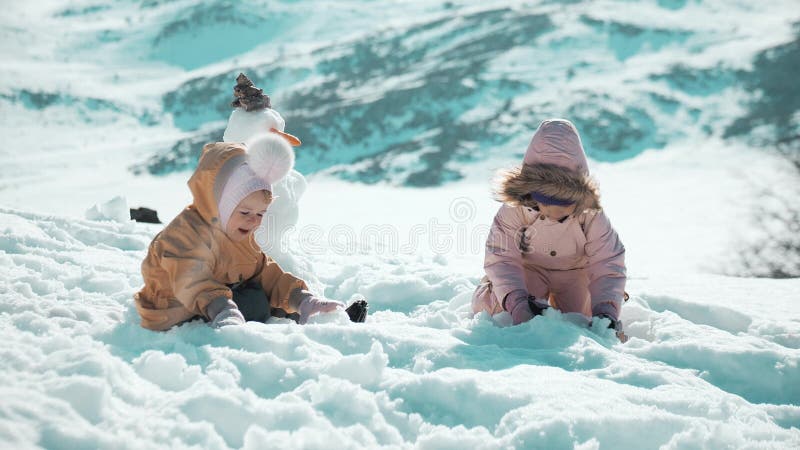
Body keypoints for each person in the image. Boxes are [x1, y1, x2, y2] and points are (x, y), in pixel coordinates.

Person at [134, 133, 344, 330]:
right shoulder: (184, 235)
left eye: (261, 214)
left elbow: (265, 272)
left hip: (218, 297)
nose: (253, 220)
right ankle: (260, 316)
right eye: (245, 211)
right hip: (174, 309)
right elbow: (191, 281)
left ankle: (318, 315)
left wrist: (302, 298)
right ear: (220, 204)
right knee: (254, 302)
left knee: (264, 293)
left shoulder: (237, 235)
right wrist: (224, 309)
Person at [472, 119, 627, 336]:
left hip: (575, 273)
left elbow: (608, 263)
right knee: (506, 311)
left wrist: (607, 312)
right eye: (545, 201)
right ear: (531, 193)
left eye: (563, 203)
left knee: (580, 319)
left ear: (578, 197)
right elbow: (502, 257)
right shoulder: (515, 210)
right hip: (529, 269)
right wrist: (516, 302)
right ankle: (490, 291)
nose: (553, 212)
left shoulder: (591, 216)